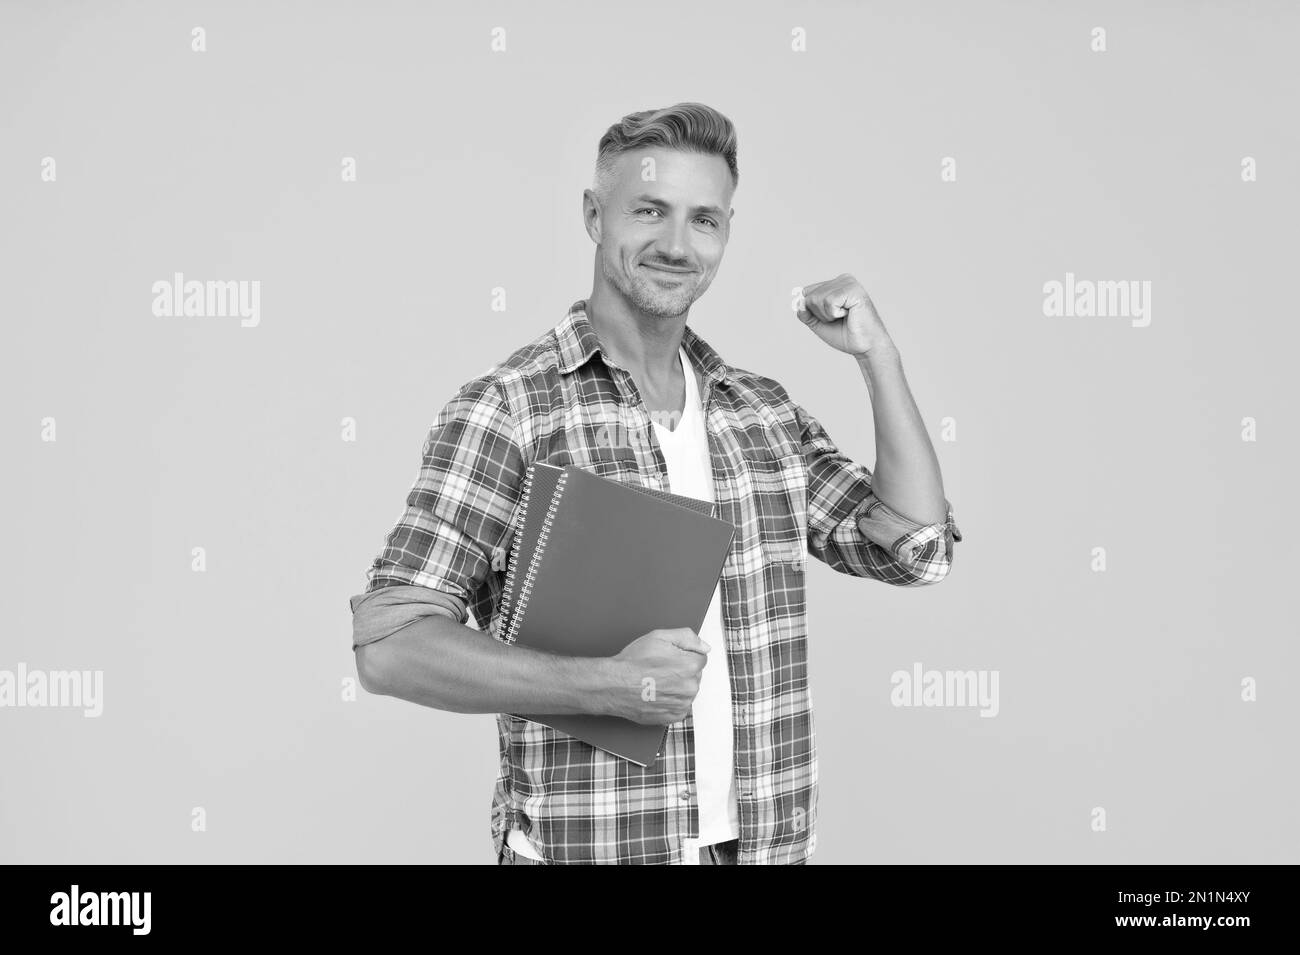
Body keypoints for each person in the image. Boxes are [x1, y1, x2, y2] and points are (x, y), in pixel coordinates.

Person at [348, 102, 962, 865]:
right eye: (650, 210)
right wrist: (607, 685)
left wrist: (879, 357)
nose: (677, 244)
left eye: (705, 219)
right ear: (593, 215)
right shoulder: (512, 409)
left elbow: (916, 547)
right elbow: (389, 645)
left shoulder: (760, 415)